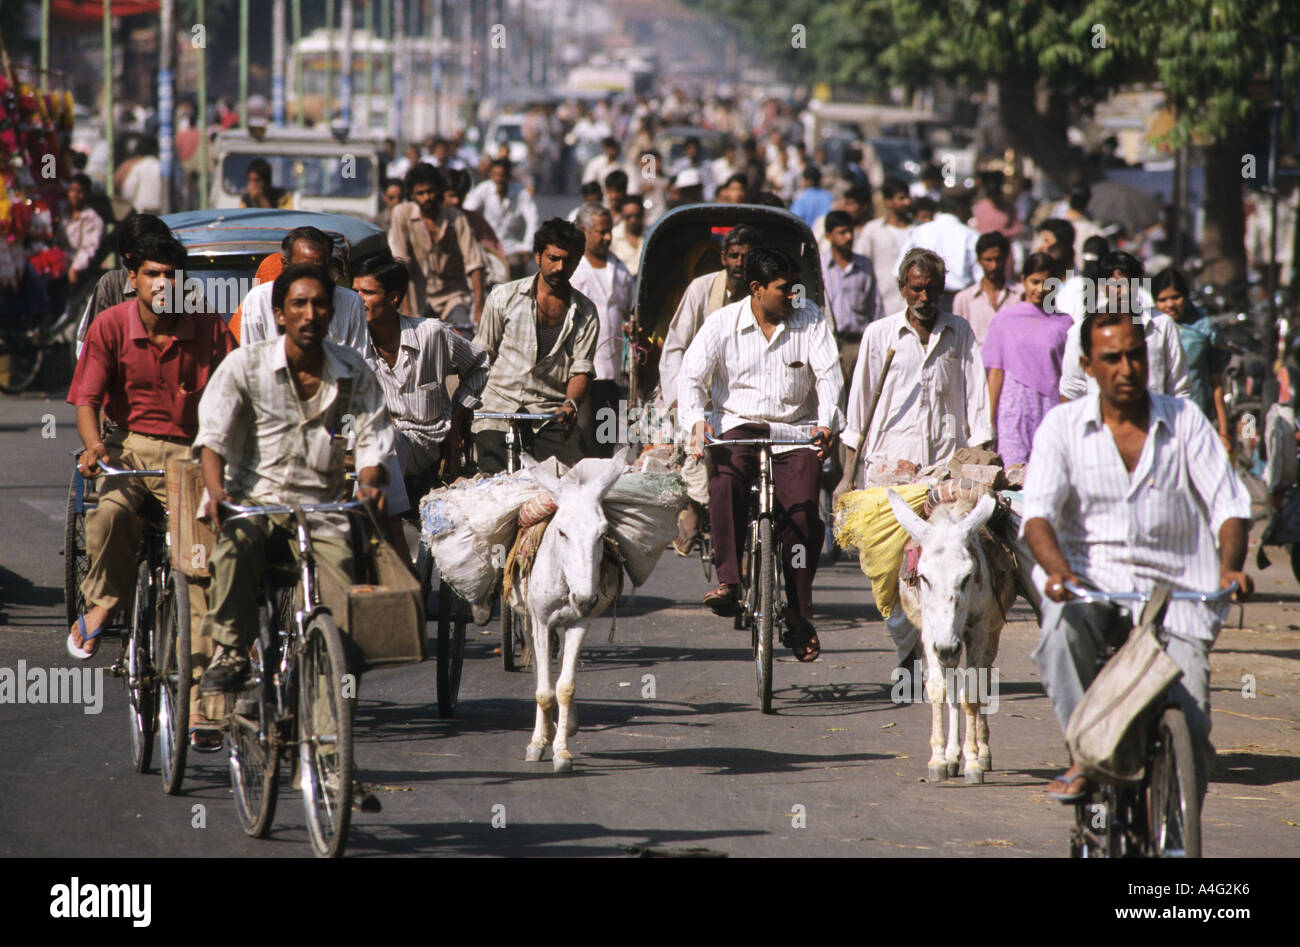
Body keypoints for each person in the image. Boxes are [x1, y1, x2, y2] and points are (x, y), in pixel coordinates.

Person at [1022, 310, 1253, 804]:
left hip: (1177, 594)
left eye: (1135, 355)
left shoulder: (1185, 421)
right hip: (1091, 583)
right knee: (1059, 630)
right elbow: (1037, 517)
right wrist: (1058, 571)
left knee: (1190, 726)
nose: (1126, 369)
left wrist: (1231, 566)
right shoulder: (1061, 428)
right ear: (1088, 365)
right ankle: (1086, 751)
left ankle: (1172, 817)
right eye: (1112, 358)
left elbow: (1229, 506)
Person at [66, 233, 236, 743]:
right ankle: (104, 600)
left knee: (201, 565)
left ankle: (204, 704)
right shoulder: (110, 324)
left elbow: (233, 392)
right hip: (128, 445)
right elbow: (87, 400)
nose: (163, 284)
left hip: (193, 453)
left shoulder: (207, 326)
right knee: (110, 513)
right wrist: (95, 447)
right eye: (153, 274)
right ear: (132, 276)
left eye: (171, 274)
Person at [679, 247, 843, 661]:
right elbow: (691, 377)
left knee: (805, 518)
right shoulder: (722, 324)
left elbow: (829, 376)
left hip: (795, 432)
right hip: (739, 426)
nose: (793, 296)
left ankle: (800, 615)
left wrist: (827, 422)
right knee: (725, 485)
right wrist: (697, 422)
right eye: (784, 289)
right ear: (756, 289)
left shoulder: (811, 321)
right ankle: (731, 581)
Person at [837, 248, 994, 668]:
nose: (924, 297)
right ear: (903, 288)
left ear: (942, 289)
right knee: (888, 572)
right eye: (916, 289)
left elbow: (976, 397)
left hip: (943, 470)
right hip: (889, 468)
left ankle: (936, 641)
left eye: (932, 289)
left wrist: (983, 452)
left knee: (938, 568)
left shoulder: (959, 332)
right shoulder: (879, 335)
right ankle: (908, 647)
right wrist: (847, 474)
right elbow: (858, 410)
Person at [355, 255, 490, 561]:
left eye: (368, 292)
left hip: (425, 444)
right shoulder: (354, 346)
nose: (359, 300)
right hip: (377, 444)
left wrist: (457, 421)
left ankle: (390, 545)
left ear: (393, 298)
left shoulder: (432, 334)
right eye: (356, 292)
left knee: (383, 443)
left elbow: (480, 365)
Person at [471, 218, 598, 473]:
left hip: (549, 413)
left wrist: (570, 404)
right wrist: (465, 408)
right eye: (553, 258)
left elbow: (581, 370)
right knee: (492, 479)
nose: (560, 267)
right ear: (538, 256)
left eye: (568, 260)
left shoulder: (586, 312)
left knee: (573, 477)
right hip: (498, 409)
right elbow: (481, 356)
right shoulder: (503, 297)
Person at [1058, 251, 1188, 401]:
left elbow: (1179, 388)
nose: (1124, 292)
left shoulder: (1162, 325)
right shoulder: (1081, 332)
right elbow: (1071, 390)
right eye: (1117, 285)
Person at [983, 252, 1073, 465]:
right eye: (1034, 281)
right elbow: (996, 372)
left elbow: (1070, 377)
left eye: (1047, 282)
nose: (1040, 289)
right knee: (1014, 476)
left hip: (1051, 409)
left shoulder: (1065, 323)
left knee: (1050, 470)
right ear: (1023, 280)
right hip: (1013, 412)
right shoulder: (1004, 319)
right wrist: (990, 420)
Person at [235, 226, 367, 353]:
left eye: (319, 270)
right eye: (303, 270)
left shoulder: (350, 302)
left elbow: (360, 361)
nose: (310, 315)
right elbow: (252, 361)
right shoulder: (259, 299)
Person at [570, 203, 635, 458]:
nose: (607, 237)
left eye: (609, 231)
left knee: (606, 438)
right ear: (584, 231)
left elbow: (629, 310)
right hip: (582, 369)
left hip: (613, 371)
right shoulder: (574, 269)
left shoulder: (619, 269)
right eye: (601, 232)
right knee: (582, 434)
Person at [389, 163, 487, 322]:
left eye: (430, 191)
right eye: (420, 193)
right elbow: (400, 262)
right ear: (412, 195)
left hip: (452, 296)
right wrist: (405, 306)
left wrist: (479, 308)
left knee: (463, 334)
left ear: (438, 190)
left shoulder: (456, 217)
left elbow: (474, 262)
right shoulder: (402, 214)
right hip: (417, 296)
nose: (426, 197)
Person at [1151, 268, 1231, 449]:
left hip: (1198, 421)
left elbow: (1216, 383)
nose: (1170, 304)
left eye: (1176, 297)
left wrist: (1224, 433)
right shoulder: (1148, 332)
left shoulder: (1202, 329)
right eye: (1162, 300)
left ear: (1186, 297)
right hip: (1158, 421)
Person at [820, 209, 882, 381]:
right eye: (842, 232)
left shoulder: (864, 265)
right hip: (829, 344)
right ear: (829, 235)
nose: (848, 237)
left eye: (850, 231)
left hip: (858, 344)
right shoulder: (820, 266)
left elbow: (875, 305)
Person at [894, 195, 979, 309]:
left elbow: (898, 272)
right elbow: (979, 276)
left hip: (927, 298)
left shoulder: (920, 231)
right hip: (952, 299)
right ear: (960, 209)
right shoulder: (970, 234)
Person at [463, 158, 540, 280]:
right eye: (495, 175)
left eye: (502, 175)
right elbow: (467, 211)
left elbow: (532, 218)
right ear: (490, 175)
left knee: (516, 278)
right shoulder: (484, 189)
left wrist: (527, 246)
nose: (499, 179)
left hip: (512, 248)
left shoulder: (520, 192)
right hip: (487, 247)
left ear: (508, 176)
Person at [953, 231, 1022, 346]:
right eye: (988, 260)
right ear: (979, 260)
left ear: (1006, 259)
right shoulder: (964, 299)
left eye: (998, 259)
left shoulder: (1020, 294)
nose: (994, 266)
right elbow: (957, 341)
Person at [855, 178, 914, 314]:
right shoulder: (873, 230)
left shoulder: (919, 230)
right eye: (901, 198)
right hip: (882, 307)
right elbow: (860, 265)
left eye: (907, 197)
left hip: (912, 308)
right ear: (888, 202)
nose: (907, 202)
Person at [61, 173, 105, 294]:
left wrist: (74, 269)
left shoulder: (93, 219)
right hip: (60, 263)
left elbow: (89, 249)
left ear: (86, 194)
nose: (75, 195)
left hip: (80, 269)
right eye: (72, 190)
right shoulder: (63, 212)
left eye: (79, 191)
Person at [119, 136, 162, 216]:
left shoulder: (138, 167)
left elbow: (128, 190)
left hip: (141, 211)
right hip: (159, 210)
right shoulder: (161, 166)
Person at [610, 193, 646, 276]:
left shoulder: (651, 234)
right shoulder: (613, 237)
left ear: (643, 214)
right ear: (622, 215)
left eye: (637, 216)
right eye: (628, 216)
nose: (633, 220)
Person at [671, 136, 716, 201]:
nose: (692, 150)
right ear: (685, 150)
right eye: (690, 148)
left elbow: (709, 185)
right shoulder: (679, 164)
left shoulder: (706, 165)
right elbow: (673, 183)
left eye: (695, 148)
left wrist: (708, 201)